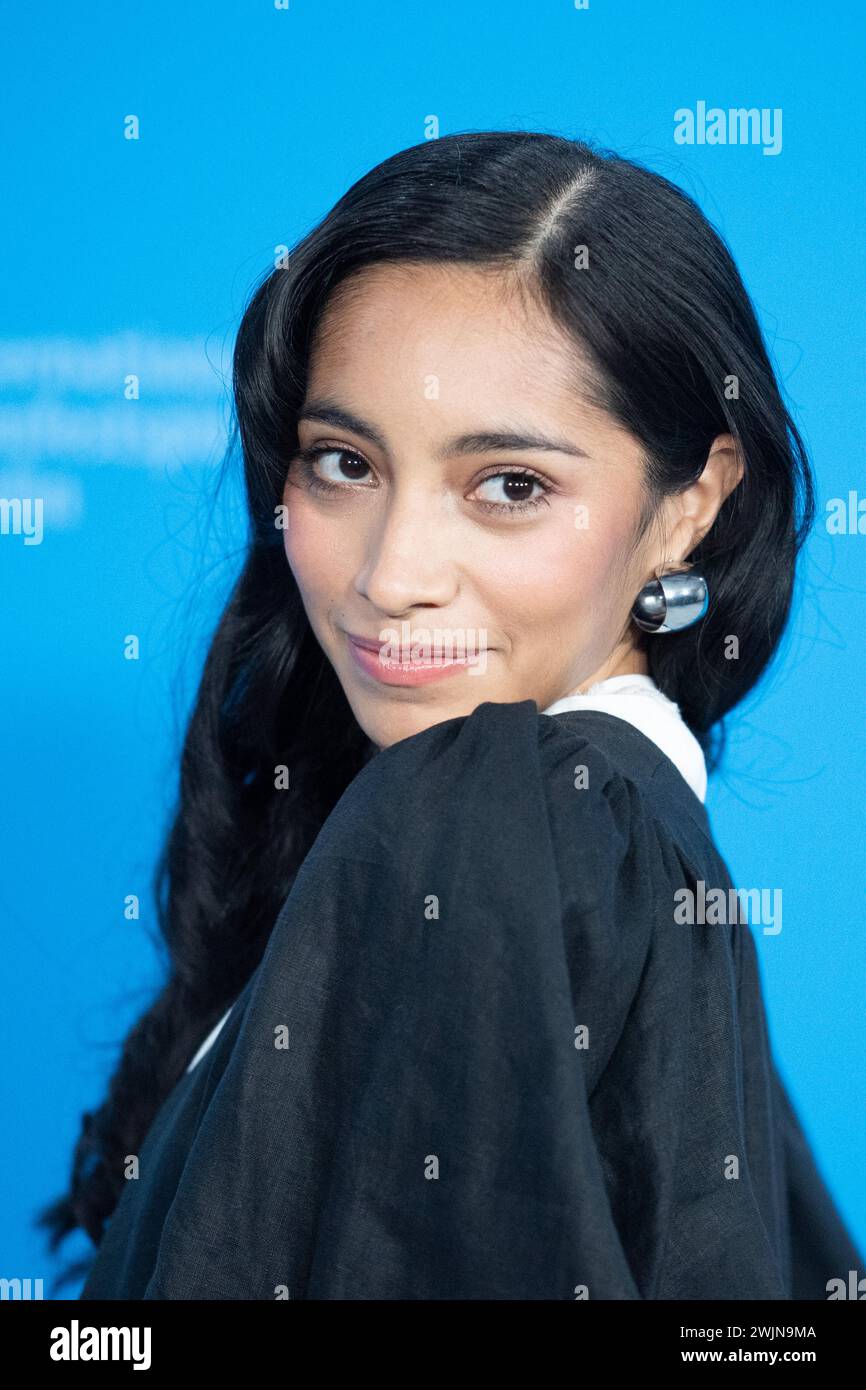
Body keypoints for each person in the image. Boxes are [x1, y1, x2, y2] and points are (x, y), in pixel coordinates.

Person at [38, 130, 862, 1299]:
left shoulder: (510, 819)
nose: (392, 572)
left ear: (689, 506)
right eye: (342, 464)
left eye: (509, 486)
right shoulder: (616, 834)